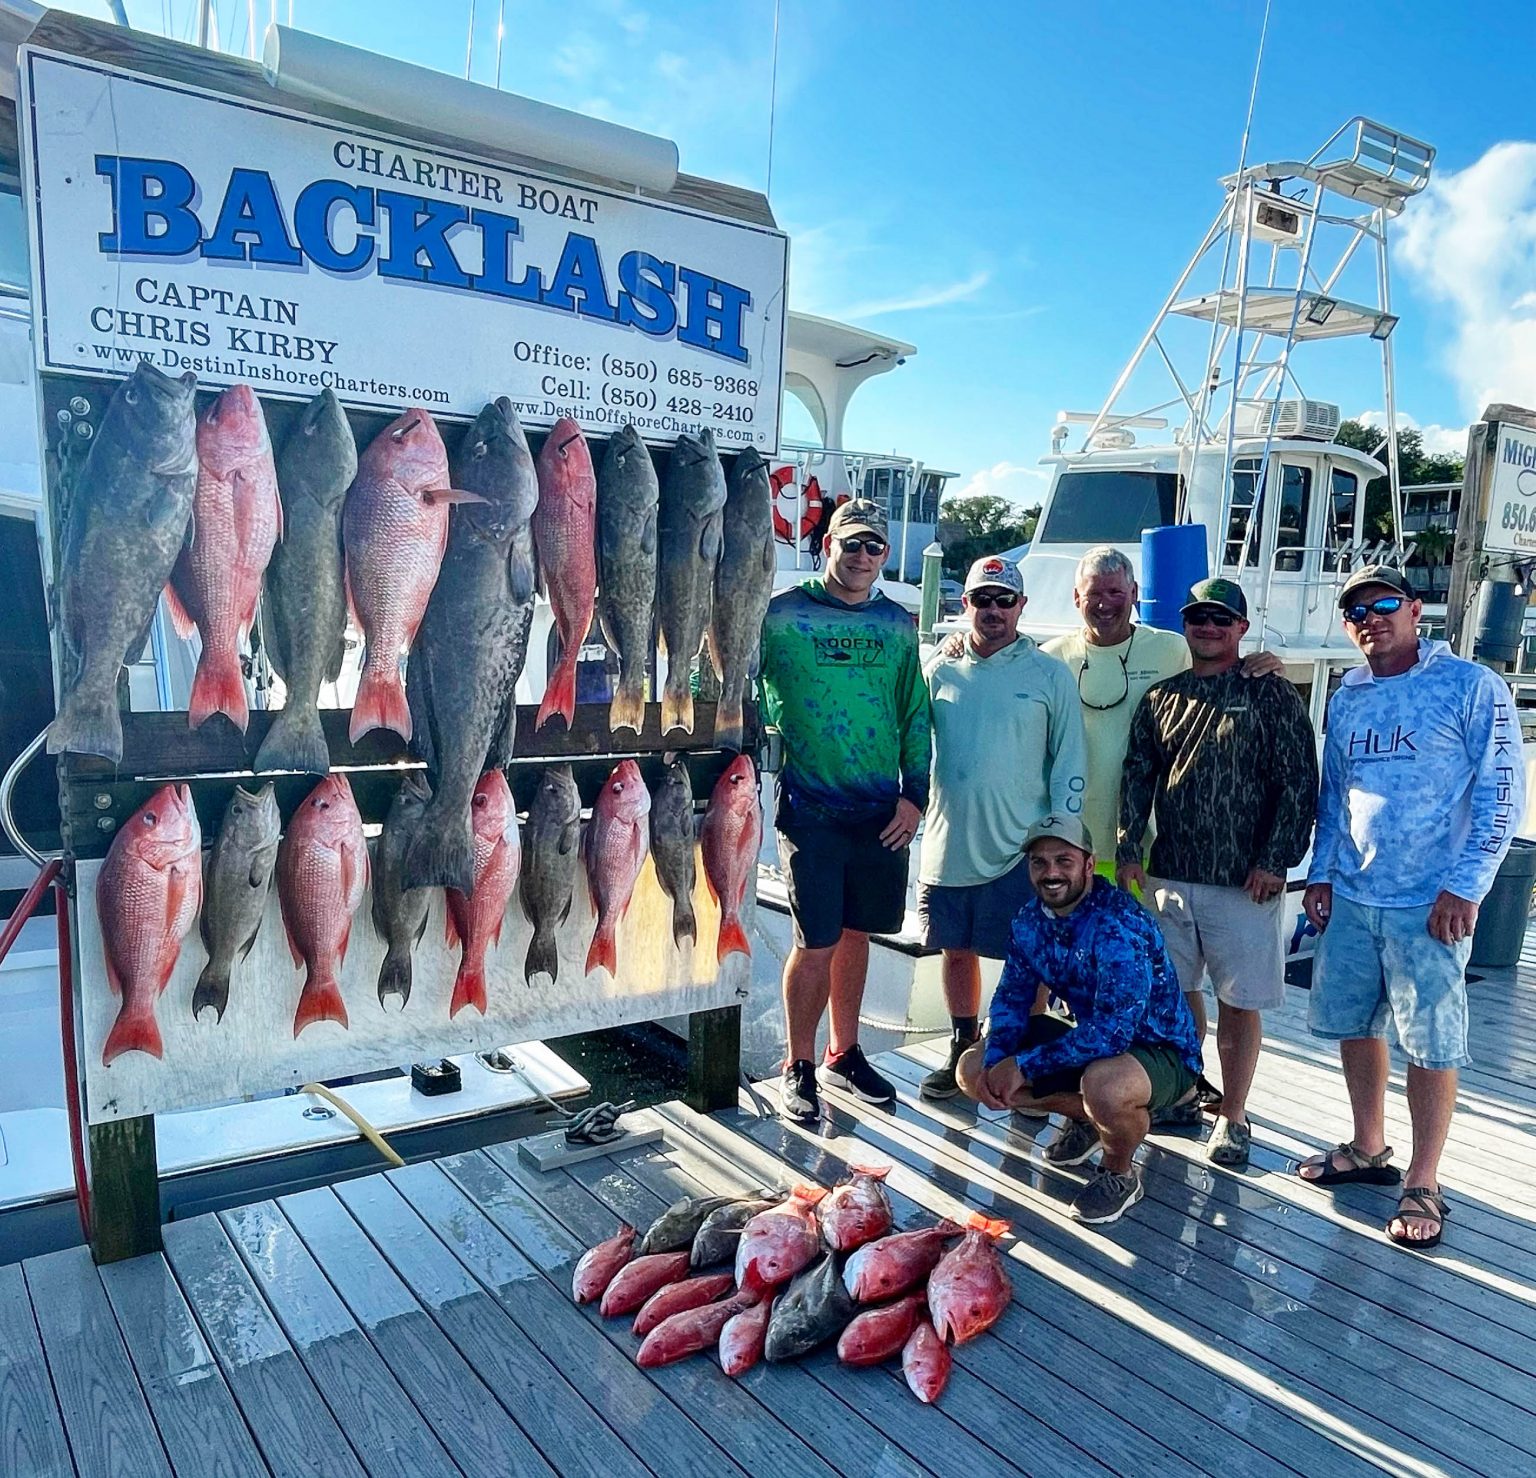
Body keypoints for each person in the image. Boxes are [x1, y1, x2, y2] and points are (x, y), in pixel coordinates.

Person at [1299, 566, 1523, 1249]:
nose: (1372, 617)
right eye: (1356, 611)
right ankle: (1369, 1148)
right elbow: (1336, 794)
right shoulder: (1350, 695)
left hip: (1430, 902)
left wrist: (1468, 884)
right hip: (1355, 894)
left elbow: (1501, 794)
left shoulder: (1470, 686)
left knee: (1430, 1043)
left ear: (1416, 609)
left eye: (1385, 603)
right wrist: (1322, 871)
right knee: (1356, 1025)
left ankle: (1424, 1180)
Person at [1116, 578, 1318, 1166]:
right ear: (1186, 624)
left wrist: (1274, 859)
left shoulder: (1272, 693)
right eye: (1198, 617)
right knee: (1173, 994)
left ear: (1241, 627)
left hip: (1244, 882)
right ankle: (1183, 1087)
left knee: (1239, 1001)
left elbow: (1298, 784)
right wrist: (1130, 848)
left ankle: (1234, 1114)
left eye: (1220, 619)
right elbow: (1136, 777)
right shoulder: (1160, 698)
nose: (1208, 627)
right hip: (1170, 875)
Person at [759, 498, 932, 1122]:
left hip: (881, 809)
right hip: (809, 806)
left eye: (874, 547)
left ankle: (844, 1050)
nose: (861, 557)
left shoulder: (897, 623)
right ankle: (797, 1063)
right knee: (816, 938)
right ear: (825, 543)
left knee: (858, 934)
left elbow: (916, 712)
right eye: (851, 543)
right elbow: (724, 677)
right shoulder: (780, 614)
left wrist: (915, 796)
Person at [956, 815, 1203, 1225]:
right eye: (1040, 862)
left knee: (1103, 1086)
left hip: (1160, 1051)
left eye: (1064, 861)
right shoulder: (1028, 922)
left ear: (1089, 865)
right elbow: (1012, 1000)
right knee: (971, 1070)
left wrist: (1023, 1065)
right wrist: (999, 1056)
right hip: (1091, 1042)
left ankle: (1119, 1172)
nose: (1051, 873)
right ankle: (1090, 1121)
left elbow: (1113, 1031)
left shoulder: (1118, 924)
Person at [916, 553, 1087, 1099]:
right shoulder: (938, 665)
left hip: (1021, 847)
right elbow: (910, 739)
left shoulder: (1048, 673)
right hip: (949, 840)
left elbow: (1069, 758)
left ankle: (1018, 1055)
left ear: (1021, 607)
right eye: (982, 600)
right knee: (955, 951)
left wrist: (1060, 839)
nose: (993, 610)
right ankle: (963, 1045)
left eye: (1004, 600)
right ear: (965, 605)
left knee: (1027, 958)